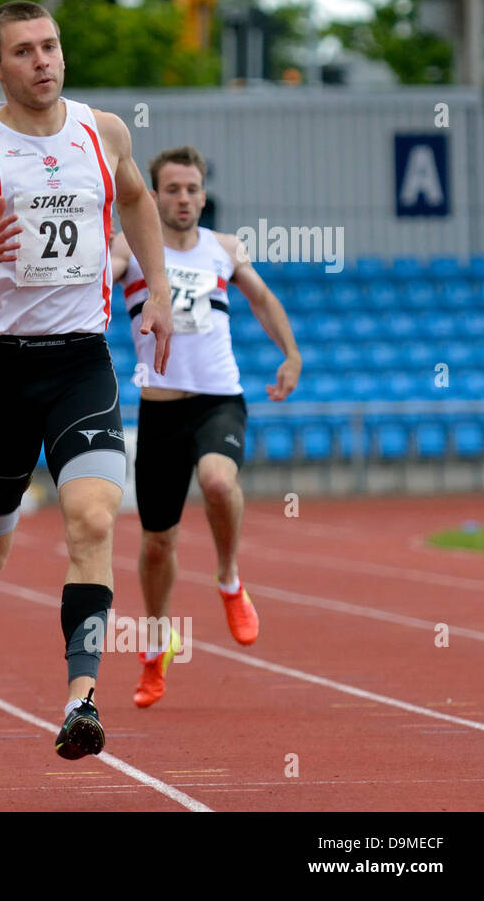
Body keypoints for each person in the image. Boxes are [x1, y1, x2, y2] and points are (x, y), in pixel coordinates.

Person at [0, 0, 173, 759]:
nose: (43, 61)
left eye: (51, 46)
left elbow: (137, 199)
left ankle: (80, 700)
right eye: (23, 51)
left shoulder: (104, 130)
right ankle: (0, 505)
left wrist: (156, 290)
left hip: (81, 362)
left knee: (91, 520)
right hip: (0, 369)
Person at [108, 145, 301, 708]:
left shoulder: (225, 249)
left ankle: (229, 579)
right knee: (157, 540)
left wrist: (289, 354)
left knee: (218, 481)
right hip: (160, 408)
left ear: (203, 194)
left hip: (220, 400)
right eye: (173, 189)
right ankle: (157, 642)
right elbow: (98, 277)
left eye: (193, 189)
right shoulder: (133, 249)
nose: (185, 198)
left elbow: (263, 300)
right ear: (154, 194)